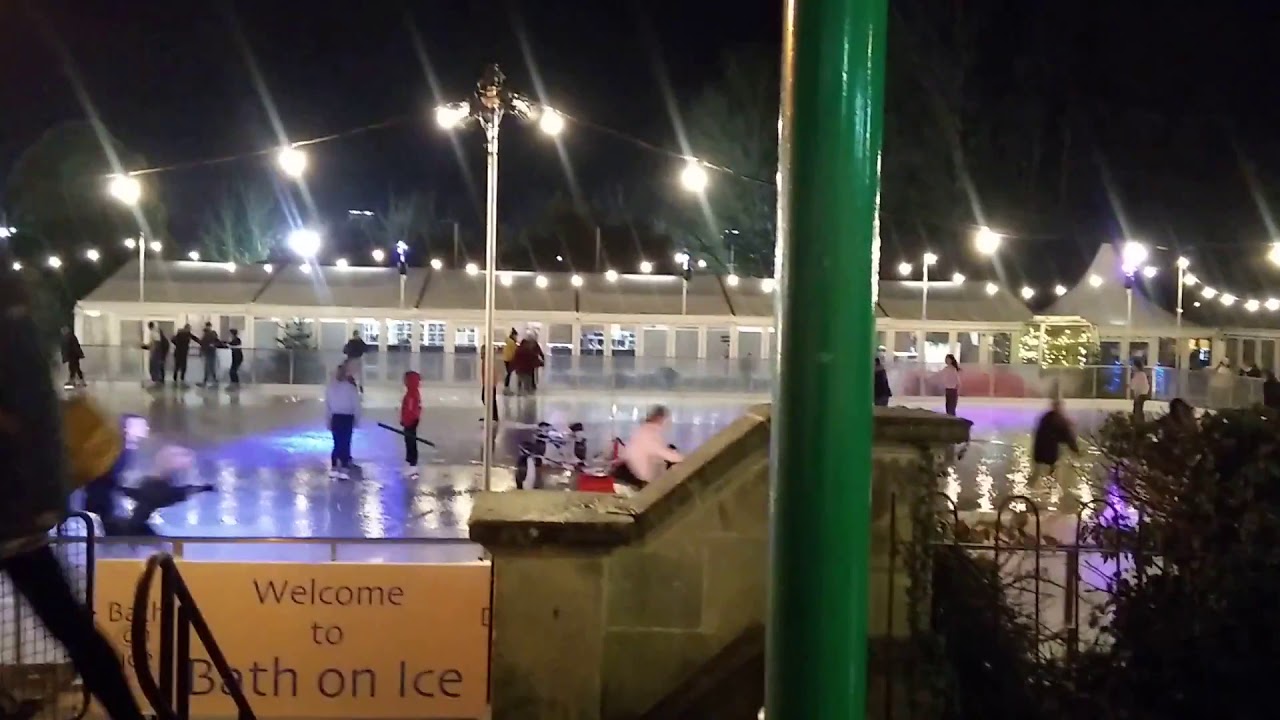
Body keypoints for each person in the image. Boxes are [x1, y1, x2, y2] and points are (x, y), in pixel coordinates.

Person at [0, 273, 148, 720]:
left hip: (14, 509)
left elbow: (28, 413)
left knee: (69, 626)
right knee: (69, 625)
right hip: (19, 512)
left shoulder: (12, 329)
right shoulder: (18, 321)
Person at [615, 405, 684, 488]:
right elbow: (667, 455)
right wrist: (689, 459)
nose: (669, 423)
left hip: (637, 474)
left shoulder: (642, 430)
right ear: (660, 418)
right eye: (667, 419)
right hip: (643, 481)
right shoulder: (649, 433)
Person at [1031, 398, 1080, 486]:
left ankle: (1033, 486)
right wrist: (1076, 450)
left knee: (1037, 472)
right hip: (1050, 453)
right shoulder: (1058, 420)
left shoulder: (1046, 417)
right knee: (1052, 472)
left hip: (1039, 452)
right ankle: (1049, 486)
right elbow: (1067, 436)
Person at [325, 363, 361, 478]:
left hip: (336, 417)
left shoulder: (331, 388)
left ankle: (335, 465)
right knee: (345, 441)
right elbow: (356, 405)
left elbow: (328, 406)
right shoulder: (351, 388)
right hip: (347, 418)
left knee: (337, 442)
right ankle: (344, 466)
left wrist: (328, 419)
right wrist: (357, 419)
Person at [400, 371, 422, 474]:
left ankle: (412, 462)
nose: (404, 381)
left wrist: (405, 420)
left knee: (410, 442)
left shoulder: (411, 394)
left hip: (410, 421)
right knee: (409, 441)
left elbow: (409, 410)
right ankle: (410, 461)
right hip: (411, 420)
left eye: (405, 379)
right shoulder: (413, 392)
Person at [143, 322, 169, 386]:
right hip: (157, 351)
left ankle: (155, 379)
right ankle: (157, 379)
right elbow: (153, 343)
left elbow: (155, 343)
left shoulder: (154, 332)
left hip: (157, 352)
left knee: (154, 365)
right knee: (157, 365)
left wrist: (153, 351)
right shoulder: (155, 332)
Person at [197, 322, 220, 387]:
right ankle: (212, 380)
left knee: (209, 367)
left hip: (210, 352)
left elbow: (215, 341)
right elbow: (203, 343)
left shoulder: (210, 334)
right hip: (209, 352)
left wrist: (213, 345)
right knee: (209, 367)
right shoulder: (208, 334)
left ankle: (209, 381)